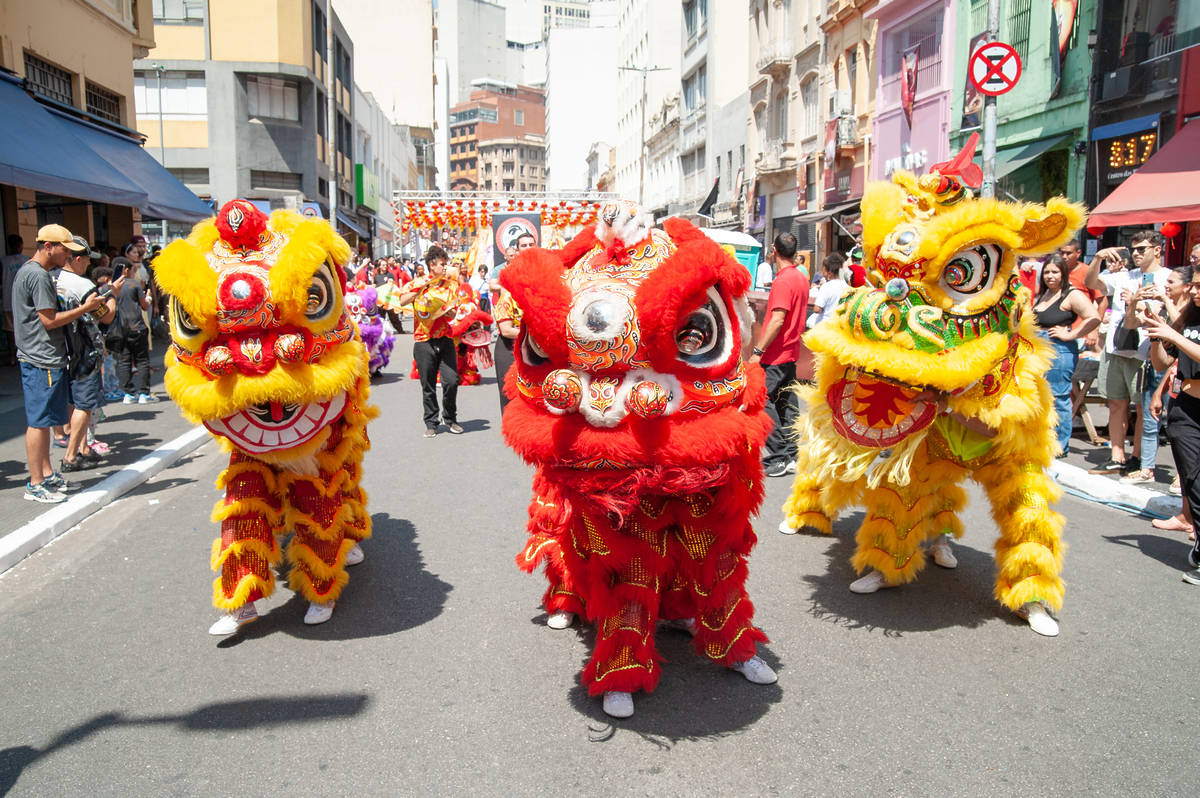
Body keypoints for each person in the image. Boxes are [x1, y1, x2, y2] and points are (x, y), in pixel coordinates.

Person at [12, 225, 104, 502]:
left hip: (41, 356)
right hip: (41, 358)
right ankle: (36, 482)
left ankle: (47, 474)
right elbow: (49, 321)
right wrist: (84, 310)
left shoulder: (32, 272)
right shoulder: (37, 275)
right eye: (66, 249)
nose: (68, 255)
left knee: (47, 419)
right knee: (40, 422)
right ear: (48, 246)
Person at [1085, 231, 1168, 478]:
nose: (1137, 253)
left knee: (1142, 407)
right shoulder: (1123, 276)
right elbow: (1092, 283)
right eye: (1134, 249)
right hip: (1115, 348)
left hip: (1145, 351)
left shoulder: (1168, 277)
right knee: (1115, 404)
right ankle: (1117, 455)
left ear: (1157, 250)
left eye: (1143, 248)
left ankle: (1139, 456)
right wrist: (1098, 258)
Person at [1145, 274, 1200, 583]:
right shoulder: (1188, 317)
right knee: (1193, 481)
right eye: (1193, 285)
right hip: (1186, 410)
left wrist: (1173, 334)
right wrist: (1156, 336)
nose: (1194, 291)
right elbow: (1163, 363)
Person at [55, 237, 119, 473]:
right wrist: (111, 294)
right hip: (83, 352)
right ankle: (71, 456)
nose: (88, 266)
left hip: (60, 350)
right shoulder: (81, 286)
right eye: (86, 261)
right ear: (77, 258)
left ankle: (82, 447)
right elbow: (106, 316)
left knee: (72, 403)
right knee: (83, 404)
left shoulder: (50, 278)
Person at [749, 231, 810, 477]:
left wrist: (757, 351)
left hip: (775, 355)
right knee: (787, 405)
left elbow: (777, 319)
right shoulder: (801, 278)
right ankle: (793, 454)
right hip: (791, 351)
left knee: (762, 402)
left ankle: (779, 455)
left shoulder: (784, 281)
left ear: (774, 252)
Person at [1033, 254, 1099, 455]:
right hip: (1038, 349)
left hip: (1059, 349)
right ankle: (1044, 441)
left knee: (1058, 396)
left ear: (1063, 273)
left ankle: (1060, 445)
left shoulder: (1072, 294)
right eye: (1047, 272)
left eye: (1055, 272)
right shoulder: (1043, 295)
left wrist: (1071, 335)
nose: (1050, 276)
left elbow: (1094, 317)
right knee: (1040, 397)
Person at [395, 245, 463, 437]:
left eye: (445, 263)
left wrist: (449, 312)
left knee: (451, 381)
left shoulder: (449, 285)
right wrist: (421, 288)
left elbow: (454, 310)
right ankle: (431, 422)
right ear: (432, 265)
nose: (444, 267)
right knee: (428, 384)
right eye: (442, 264)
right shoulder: (417, 283)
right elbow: (402, 301)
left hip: (445, 337)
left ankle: (450, 418)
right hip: (423, 340)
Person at [492, 233, 536, 412]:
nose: (528, 248)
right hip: (510, 348)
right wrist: (536, 334)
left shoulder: (545, 276)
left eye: (531, 244)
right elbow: (506, 330)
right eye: (523, 245)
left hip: (535, 351)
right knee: (510, 397)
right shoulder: (508, 284)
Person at [110, 256, 157, 404]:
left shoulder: (109, 287)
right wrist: (148, 298)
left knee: (124, 361)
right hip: (137, 327)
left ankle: (128, 394)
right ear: (125, 270)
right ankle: (144, 393)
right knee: (142, 360)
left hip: (120, 329)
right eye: (130, 270)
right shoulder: (133, 284)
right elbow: (145, 306)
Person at [807, 252, 848, 329]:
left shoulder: (826, 287)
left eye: (824, 269)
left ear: (829, 271)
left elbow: (817, 309)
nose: (822, 272)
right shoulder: (846, 286)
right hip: (841, 326)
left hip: (825, 327)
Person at [2, 233, 25, 364]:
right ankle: (22, 354)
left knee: (10, 331)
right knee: (24, 328)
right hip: (22, 301)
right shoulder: (27, 260)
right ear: (21, 245)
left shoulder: (3, 261)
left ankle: (12, 356)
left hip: (7, 300)